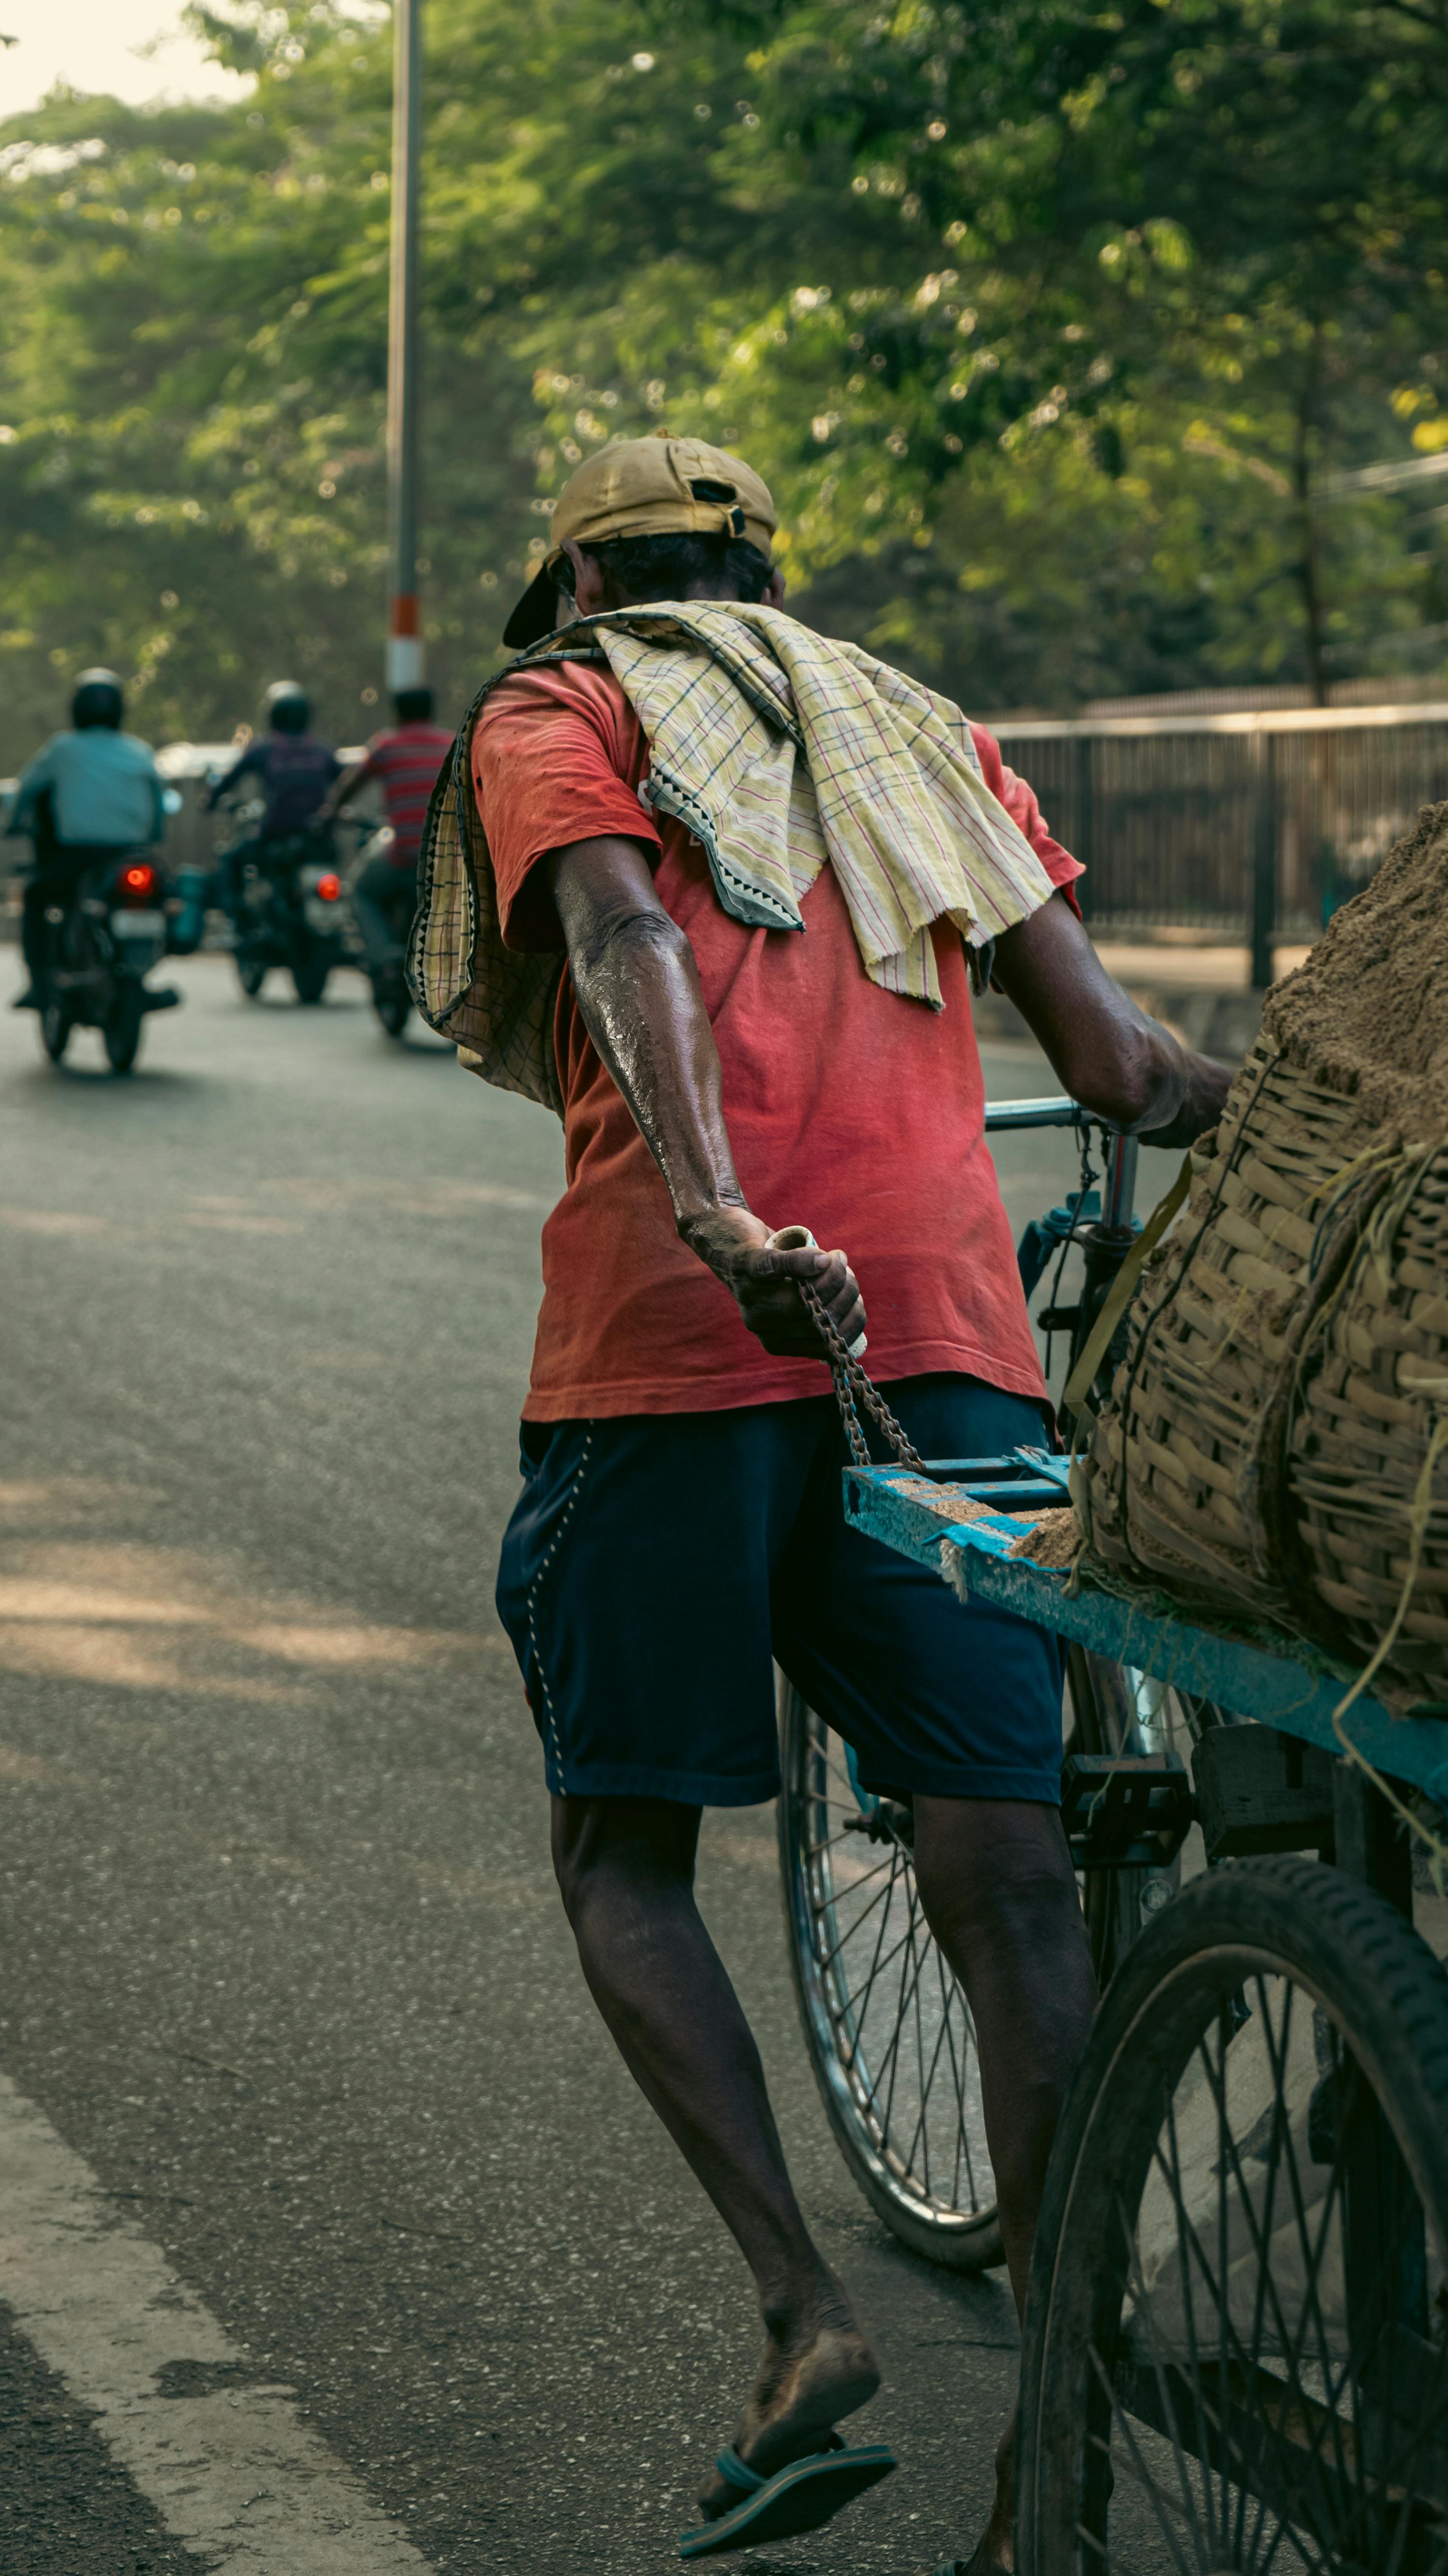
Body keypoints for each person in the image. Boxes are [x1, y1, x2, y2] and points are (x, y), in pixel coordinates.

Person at [429, 437, 1232, 2571]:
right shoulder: (916, 730)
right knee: (1016, 1889)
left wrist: (712, 1203)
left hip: (680, 1343)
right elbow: (1130, 1064)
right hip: (952, 1341)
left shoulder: (564, 705)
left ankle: (803, 2321)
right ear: (764, 567)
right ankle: (1048, 2458)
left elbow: (617, 928)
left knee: (623, 1854)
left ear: (586, 574)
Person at [8, 669, 167, 1009]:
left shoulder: (62, 749)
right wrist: (153, 839)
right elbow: (158, 806)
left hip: (79, 855)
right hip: (133, 854)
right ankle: (140, 977)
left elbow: (27, 791)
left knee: (36, 896)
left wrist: (12, 824)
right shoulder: (139, 751)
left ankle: (38, 984)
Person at [314, 687, 452, 976]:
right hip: (448, 857)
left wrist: (329, 815)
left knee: (359, 890)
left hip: (404, 852)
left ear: (398, 714)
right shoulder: (453, 744)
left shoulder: (387, 746)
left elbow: (350, 785)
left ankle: (383, 953)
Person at [205, 681, 340, 923]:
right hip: (317, 836)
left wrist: (210, 800)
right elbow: (344, 784)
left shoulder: (263, 748)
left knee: (231, 859)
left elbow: (228, 781)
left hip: (275, 835)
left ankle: (236, 920)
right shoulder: (322, 750)